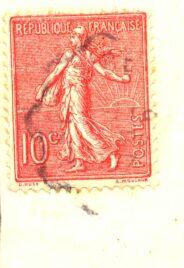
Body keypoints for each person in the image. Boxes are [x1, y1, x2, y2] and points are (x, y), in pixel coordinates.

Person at [34, 24, 132, 172]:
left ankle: (110, 151)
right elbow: (56, 73)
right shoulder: (69, 54)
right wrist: (42, 89)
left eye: (73, 37)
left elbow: (104, 72)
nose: (70, 39)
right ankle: (79, 162)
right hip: (69, 92)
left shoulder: (88, 56)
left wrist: (121, 79)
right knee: (71, 125)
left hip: (78, 92)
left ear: (80, 39)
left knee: (81, 124)